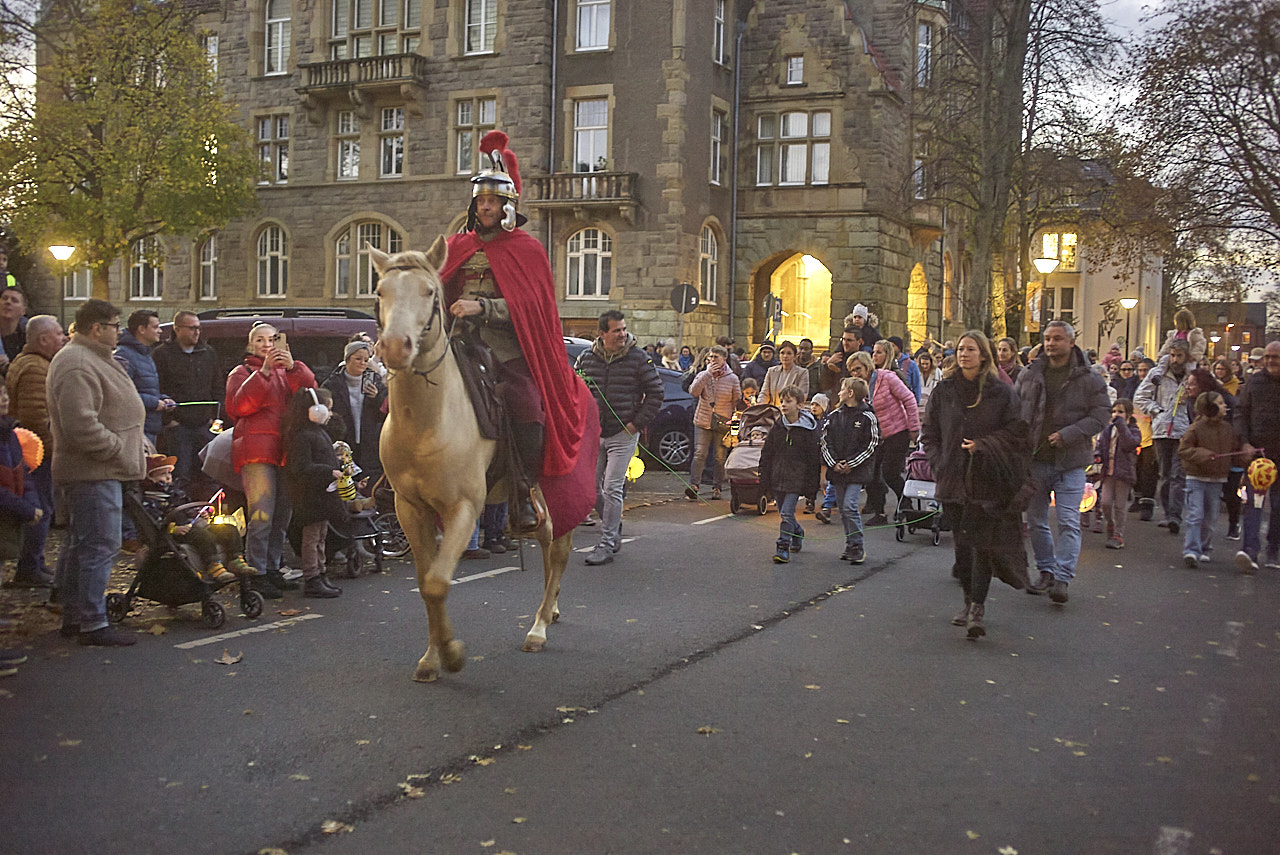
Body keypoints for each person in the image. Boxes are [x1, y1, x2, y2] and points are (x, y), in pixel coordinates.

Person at [438, 129, 592, 531]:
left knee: (526, 403)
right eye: (481, 200)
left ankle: (522, 490)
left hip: (505, 348)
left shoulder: (527, 249)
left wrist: (482, 306)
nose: (486, 207)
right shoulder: (458, 245)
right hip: (458, 343)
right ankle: (392, 479)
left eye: (493, 200)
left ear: (507, 205)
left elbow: (534, 306)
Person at [47, 299, 146, 646]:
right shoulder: (76, 362)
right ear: (96, 328)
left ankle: (75, 615)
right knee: (100, 544)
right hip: (92, 470)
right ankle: (91, 621)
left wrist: (135, 440)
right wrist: (117, 449)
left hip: (99, 468)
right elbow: (80, 423)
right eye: (115, 325)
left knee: (83, 543)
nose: (119, 331)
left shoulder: (93, 357)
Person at [923, 330, 1031, 638]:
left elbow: (1016, 432)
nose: (964, 354)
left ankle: (977, 608)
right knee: (962, 544)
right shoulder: (944, 391)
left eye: (970, 349)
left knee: (982, 545)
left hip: (987, 481)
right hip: (952, 478)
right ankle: (968, 598)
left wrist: (984, 445)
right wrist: (938, 460)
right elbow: (929, 433)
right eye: (960, 348)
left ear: (983, 354)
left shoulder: (1001, 393)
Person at [1015, 320, 1110, 604]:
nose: (1051, 343)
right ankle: (1045, 570)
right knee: (1035, 520)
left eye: (1057, 338)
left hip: (1070, 461)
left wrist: (1068, 435)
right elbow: (1015, 410)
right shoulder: (1030, 374)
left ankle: (1062, 577)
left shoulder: (1089, 378)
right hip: (1035, 460)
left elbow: (1101, 416)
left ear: (1071, 342)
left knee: (1069, 520)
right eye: (1047, 338)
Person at [226, 322, 317, 599]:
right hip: (257, 451)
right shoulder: (242, 373)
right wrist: (264, 372)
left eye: (272, 339)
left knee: (282, 515)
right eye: (261, 340)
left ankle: (273, 567)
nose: (267, 345)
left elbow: (310, 396)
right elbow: (239, 407)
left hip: (285, 450)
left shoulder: (286, 371)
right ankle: (257, 572)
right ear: (250, 345)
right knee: (262, 515)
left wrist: (294, 368)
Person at [575, 310, 663, 566]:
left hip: (623, 433)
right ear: (602, 334)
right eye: (616, 330)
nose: (622, 334)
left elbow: (656, 393)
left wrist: (635, 424)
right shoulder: (585, 358)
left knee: (612, 487)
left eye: (624, 329)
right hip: (594, 434)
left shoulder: (638, 358)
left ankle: (606, 542)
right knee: (592, 490)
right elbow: (575, 392)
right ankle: (613, 526)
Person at [3, 316, 64, 587]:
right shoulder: (36, 369)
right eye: (59, 334)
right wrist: (56, 448)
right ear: (43, 339)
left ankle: (34, 563)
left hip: (30, 450)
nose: (63, 338)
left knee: (41, 507)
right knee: (40, 508)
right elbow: (37, 418)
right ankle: (30, 566)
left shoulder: (28, 362)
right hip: (37, 453)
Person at [138, 454, 252, 585]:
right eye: (162, 474)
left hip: (193, 524)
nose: (168, 477)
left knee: (228, 529)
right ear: (151, 479)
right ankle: (214, 566)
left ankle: (235, 559)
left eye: (169, 473)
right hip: (175, 532)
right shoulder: (152, 500)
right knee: (202, 536)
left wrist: (198, 513)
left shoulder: (177, 493)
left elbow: (188, 508)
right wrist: (173, 529)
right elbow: (154, 522)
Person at [283, 388, 345, 598]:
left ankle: (321, 571)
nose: (329, 413)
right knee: (311, 538)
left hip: (321, 495)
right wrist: (328, 471)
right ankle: (312, 576)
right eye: (327, 408)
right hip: (310, 496)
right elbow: (300, 467)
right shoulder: (303, 436)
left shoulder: (318, 433)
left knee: (321, 535)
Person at [846, 350, 919, 528]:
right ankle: (880, 512)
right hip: (876, 435)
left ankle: (907, 505)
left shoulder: (887, 378)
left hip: (898, 430)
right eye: (852, 370)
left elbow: (909, 398)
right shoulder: (858, 388)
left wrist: (914, 427)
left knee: (890, 472)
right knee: (871, 475)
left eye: (858, 369)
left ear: (867, 365)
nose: (856, 373)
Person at [152, 310, 222, 492]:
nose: (196, 332)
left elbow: (217, 387)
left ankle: (210, 514)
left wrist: (213, 417)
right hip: (178, 426)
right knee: (180, 476)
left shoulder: (208, 353)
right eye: (191, 328)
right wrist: (169, 421)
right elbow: (156, 388)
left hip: (204, 424)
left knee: (210, 475)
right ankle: (180, 515)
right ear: (177, 329)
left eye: (198, 328)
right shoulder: (162, 355)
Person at [1135, 340, 1194, 534]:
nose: (1175, 360)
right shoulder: (1157, 375)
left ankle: (1176, 516)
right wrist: (1157, 411)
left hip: (1185, 430)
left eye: (1179, 356)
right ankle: (1169, 514)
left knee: (1179, 474)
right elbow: (1140, 397)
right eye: (1173, 355)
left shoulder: (1192, 375)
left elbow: (1205, 396)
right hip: (1162, 430)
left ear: (1186, 356)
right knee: (1166, 474)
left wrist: (1192, 398)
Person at [759, 385, 821, 564]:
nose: (784, 405)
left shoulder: (808, 430)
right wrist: (764, 475)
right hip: (777, 475)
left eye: (788, 401)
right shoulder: (778, 426)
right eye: (782, 402)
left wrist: (811, 486)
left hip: (796, 477)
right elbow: (768, 452)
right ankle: (797, 531)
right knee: (783, 512)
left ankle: (782, 546)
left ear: (800, 405)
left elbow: (812, 460)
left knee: (787, 512)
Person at [1178, 390, 1240, 568]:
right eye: (1220, 404)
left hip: (1217, 479)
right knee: (1195, 514)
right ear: (1210, 408)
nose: (1225, 406)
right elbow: (1183, 450)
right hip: (1196, 477)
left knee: (1211, 517)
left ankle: (1204, 546)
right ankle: (1191, 550)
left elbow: (1234, 449)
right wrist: (1202, 454)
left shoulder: (1228, 429)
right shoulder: (1195, 428)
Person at [821, 377, 880, 564]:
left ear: (851, 393)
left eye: (843, 389)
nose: (839, 392)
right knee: (843, 509)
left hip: (857, 471)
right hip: (838, 471)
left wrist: (851, 463)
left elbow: (871, 445)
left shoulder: (867, 417)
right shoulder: (834, 416)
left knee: (850, 506)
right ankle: (849, 542)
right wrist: (834, 463)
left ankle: (857, 544)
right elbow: (825, 441)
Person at [1233, 340, 1280, 573]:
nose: (1271, 361)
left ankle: (1274, 548)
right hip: (1258, 457)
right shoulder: (1254, 381)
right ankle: (1250, 550)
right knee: (1253, 503)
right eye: (1268, 357)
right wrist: (1244, 442)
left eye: (1276, 357)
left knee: (1278, 506)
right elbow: (1241, 413)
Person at [321, 340, 387, 481]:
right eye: (358, 359)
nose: (363, 363)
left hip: (370, 441)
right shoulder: (333, 383)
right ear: (347, 359)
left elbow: (385, 409)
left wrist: (377, 396)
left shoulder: (374, 380)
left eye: (366, 359)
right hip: (343, 440)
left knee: (369, 481)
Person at [686, 345, 740, 502]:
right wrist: (707, 374)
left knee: (719, 456)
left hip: (722, 423)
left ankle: (717, 487)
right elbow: (693, 392)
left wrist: (734, 428)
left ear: (724, 359)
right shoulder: (704, 374)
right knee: (699, 453)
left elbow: (737, 401)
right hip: (703, 421)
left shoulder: (732, 378)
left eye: (716, 357)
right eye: (710, 357)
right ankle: (694, 485)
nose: (712, 360)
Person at [114, 310, 174, 447]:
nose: (159, 331)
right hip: (136, 430)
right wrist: (154, 403)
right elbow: (121, 394)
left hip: (149, 427)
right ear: (141, 329)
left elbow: (146, 387)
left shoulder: (145, 354)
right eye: (155, 327)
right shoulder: (124, 355)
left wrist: (163, 399)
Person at [1094, 399, 1141, 549]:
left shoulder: (1133, 430)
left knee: (1120, 505)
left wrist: (1122, 426)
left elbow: (1130, 444)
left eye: (1120, 412)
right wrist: (1097, 455)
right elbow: (1101, 445)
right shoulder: (1108, 430)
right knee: (1105, 502)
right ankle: (1110, 524)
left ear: (1128, 414)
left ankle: (1118, 534)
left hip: (1123, 472)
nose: (1116, 414)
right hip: (1108, 471)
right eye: (1114, 411)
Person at [1132, 358, 1159, 520]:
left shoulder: (1157, 389)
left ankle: (1147, 505)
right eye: (1140, 370)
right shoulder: (1133, 388)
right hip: (1135, 435)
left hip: (1152, 436)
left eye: (1146, 370)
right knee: (1135, 469)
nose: (1142, 373)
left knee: (1149, 471)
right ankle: (1137, 498)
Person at [817, 324, 863, 397]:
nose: (845, 343)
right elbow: (824, 385)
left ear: (859, 341)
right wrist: (827, 366)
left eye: (849, 340)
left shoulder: (863, 360)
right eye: (843, 339)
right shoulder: (837, 358)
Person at [759, 341, 809, 405]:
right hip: (772, 411)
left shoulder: (802, 373)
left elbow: (803, 396)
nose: (785, 356)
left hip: (792, 411)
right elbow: (764, 393)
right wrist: (760, 405)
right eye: (782, 353)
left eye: (789, 353)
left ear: (794, 356)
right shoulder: (771, 371)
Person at [0, 287, 27, 373]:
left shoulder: (28, 337)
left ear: (23, 311)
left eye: (14, 300)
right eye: (4, 298)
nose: (8, 302)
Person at [886, 337, 922, 401]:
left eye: (893, 346)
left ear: (899, 347)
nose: (890, 349)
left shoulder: (911, 364)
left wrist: (916, 402)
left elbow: (916, 385)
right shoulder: (885, 364)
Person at [916, 348, 941, 413]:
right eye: (923, 364)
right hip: (918, 403)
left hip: (932, 403)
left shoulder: (938, 372)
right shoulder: (916, 372)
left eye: (927, 364)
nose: (924, 366)